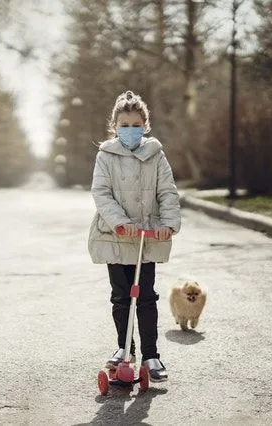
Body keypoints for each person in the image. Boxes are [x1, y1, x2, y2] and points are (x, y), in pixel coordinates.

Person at [87, 90, 181, 382]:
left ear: (145, 125)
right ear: (115, 126)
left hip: (145, 236)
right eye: (124, 125)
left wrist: (168, 224)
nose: (130, 130)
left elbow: (167, 192)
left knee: (146, 297)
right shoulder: (106, 155)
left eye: (135, 124)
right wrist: (120, 221)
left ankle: (151, 355)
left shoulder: (155, 155)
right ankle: (124, 348)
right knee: (121, 296)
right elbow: (101, 193)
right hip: (116, 235)